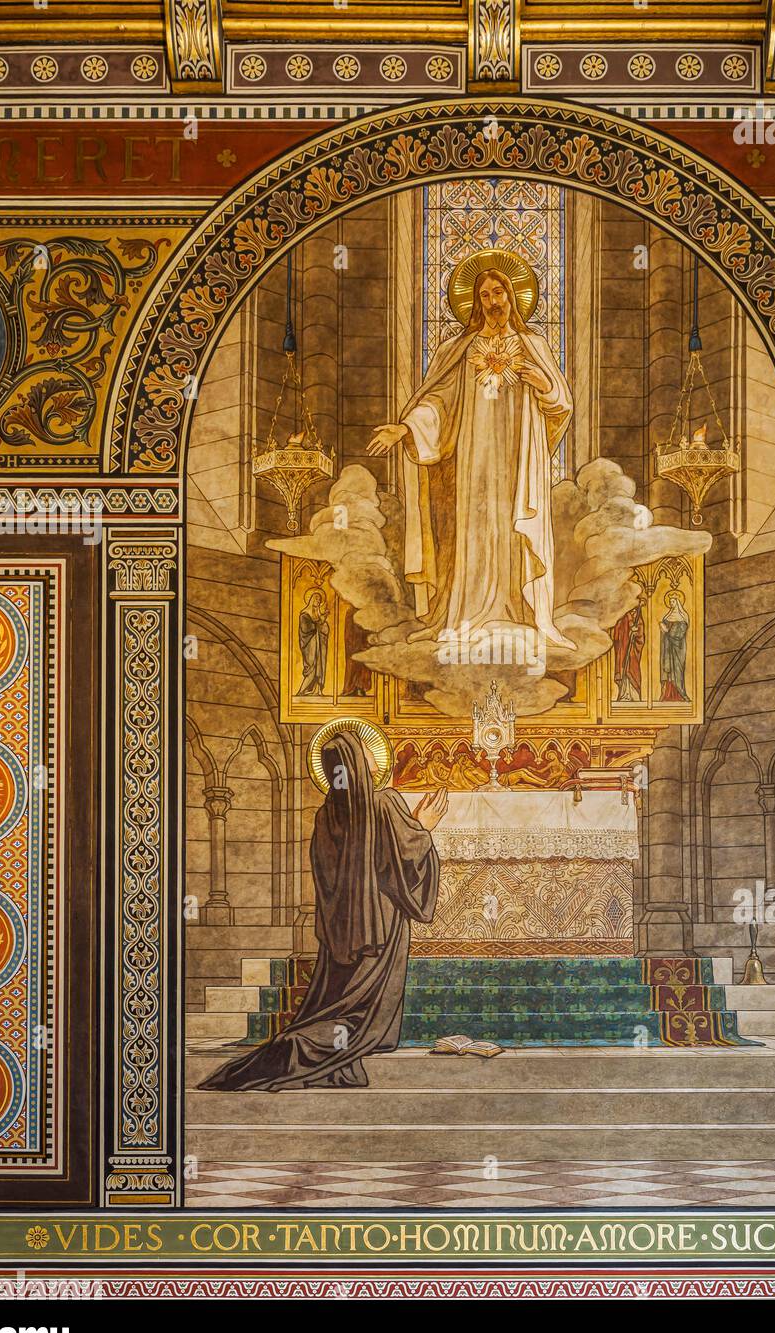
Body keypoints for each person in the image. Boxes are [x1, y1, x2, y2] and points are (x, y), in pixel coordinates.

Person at [200, 730, 447, 1090]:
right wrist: (423, 828)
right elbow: (404, 861)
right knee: (360, 1011)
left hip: (340, 937)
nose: (373, 754)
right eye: (365, 750)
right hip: (380, 929)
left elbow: (334, 877)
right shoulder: (385, 803)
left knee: (339, 1001)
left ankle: (340, 1066)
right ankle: (296, 1048)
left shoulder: (325, 815)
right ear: (358, 762)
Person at [368, 261, 573, 648]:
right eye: (485, 295)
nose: (493, 301)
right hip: (472, 461)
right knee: (473, 528)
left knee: (512, 528)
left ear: (512, 298)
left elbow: (561, 405)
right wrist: (407, 427)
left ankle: (522, 610)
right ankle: (466, 612)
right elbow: (438, 402)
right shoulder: (459, 350)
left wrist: (545, 384)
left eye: (499, 293)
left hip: (517, 460)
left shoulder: (535, 347)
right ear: (476, 304)